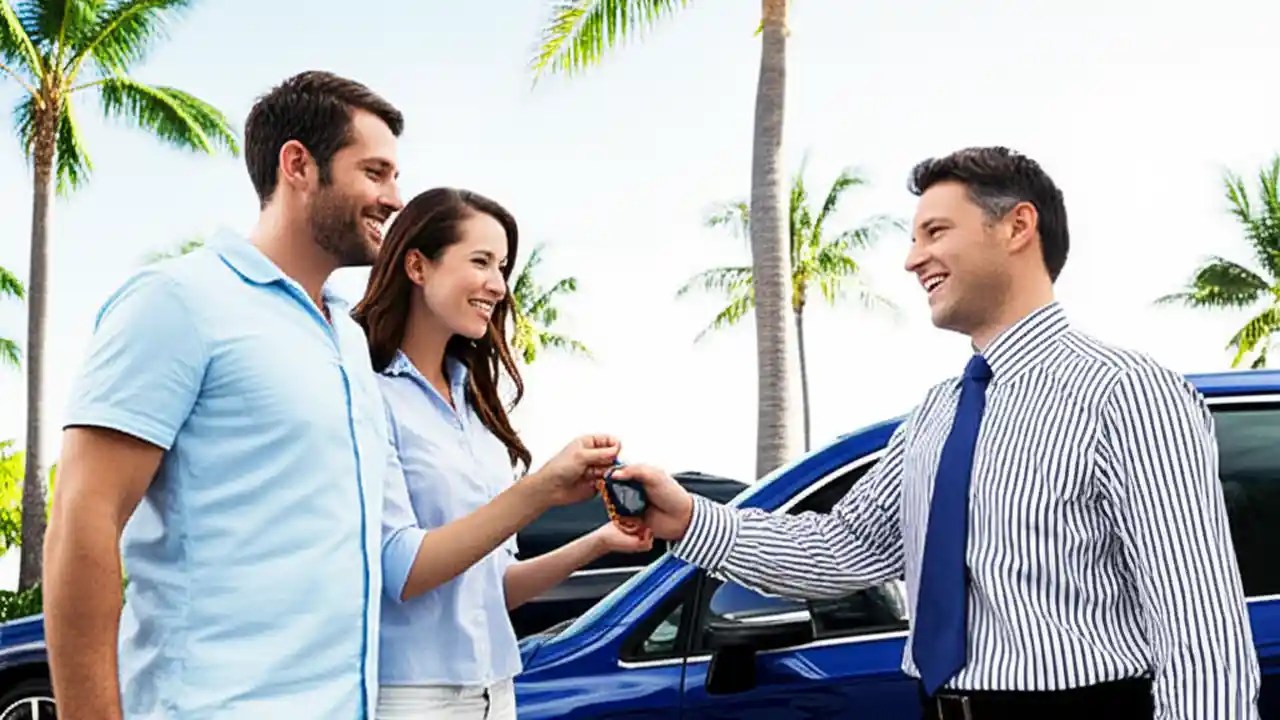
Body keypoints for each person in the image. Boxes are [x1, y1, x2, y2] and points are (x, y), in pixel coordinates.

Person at [614, 147, 1261, 719]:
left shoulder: (1128, 394)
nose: (911, 258)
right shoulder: (936, 414)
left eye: (934, 230)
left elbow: (1201, 635)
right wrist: (690, 520)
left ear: (1017, 226)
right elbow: (845, 546)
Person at [43, 69, 405, 719]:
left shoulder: (348, 339)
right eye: (375, 173)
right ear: (298, 165)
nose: (395, 197)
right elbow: (82, 518)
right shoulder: (180, 300)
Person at [351, 187, 652, 720]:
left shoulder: (476, 409)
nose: (498, 284)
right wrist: (538, 492)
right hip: (407, 698)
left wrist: (601, 541)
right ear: (417, 266)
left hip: (496, 692)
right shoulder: (368, 395)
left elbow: (497, 588)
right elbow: (403, 570)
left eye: (504, 266)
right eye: (481, 261)